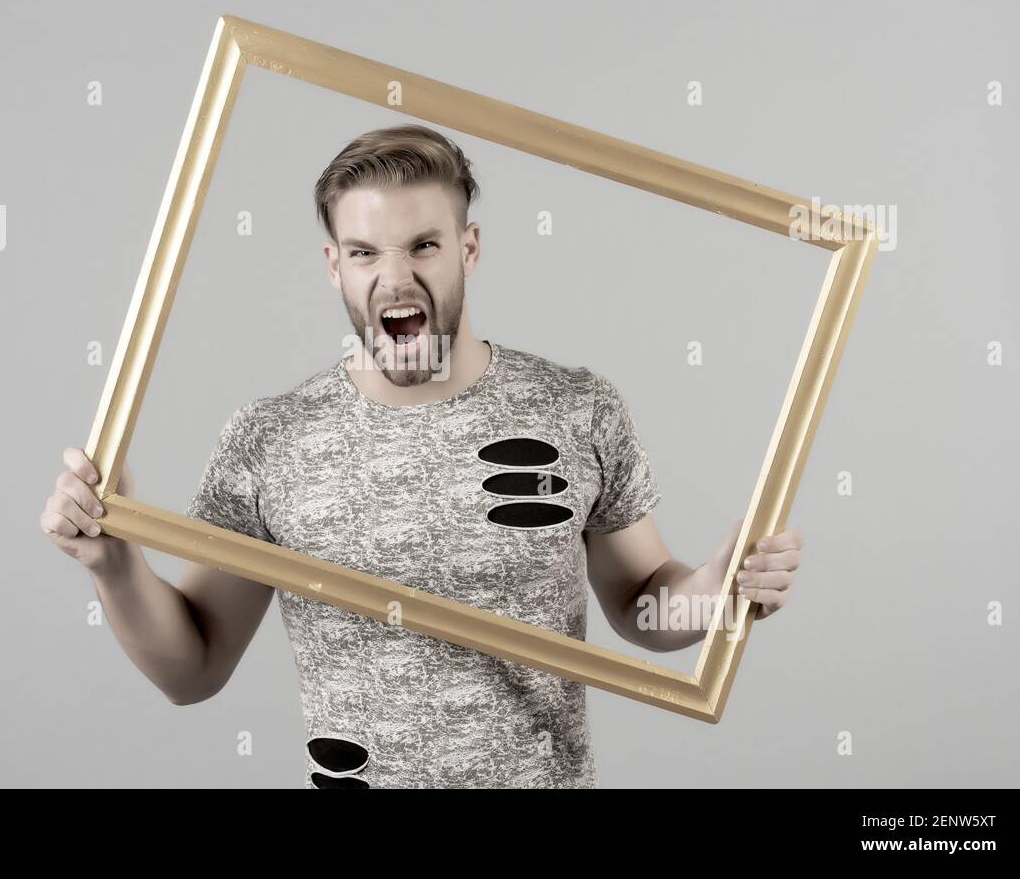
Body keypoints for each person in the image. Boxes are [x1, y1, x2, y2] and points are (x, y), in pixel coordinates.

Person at [40, 124, 805, 788]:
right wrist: (115, 564)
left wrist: (714, 589)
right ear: (334, 265)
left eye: (423, 246)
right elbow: (193, 669)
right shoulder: (270, 437)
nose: (395, 277)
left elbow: (643, 600)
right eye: (366, 250)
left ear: (468, 248)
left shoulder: (577, 407)